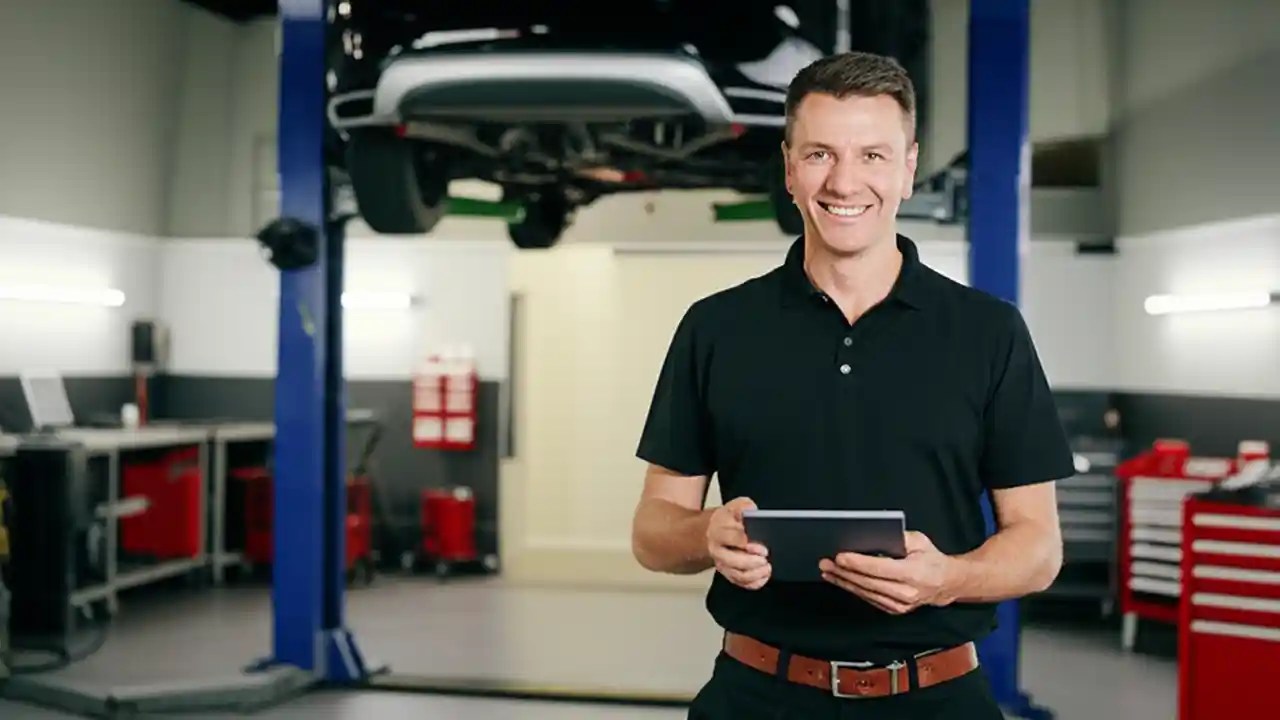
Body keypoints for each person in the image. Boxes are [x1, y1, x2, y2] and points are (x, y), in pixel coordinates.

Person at [630, 50, 1074, 719]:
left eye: (871, 155)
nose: (844, 182)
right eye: (819, 154)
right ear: (788, 168)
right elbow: (652, 530)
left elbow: (1038, 548)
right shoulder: (716, 328)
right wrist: (707, 535)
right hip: (756, 696)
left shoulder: (988, 332)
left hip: (936, 699)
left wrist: (948, 579)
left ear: (908, 168)